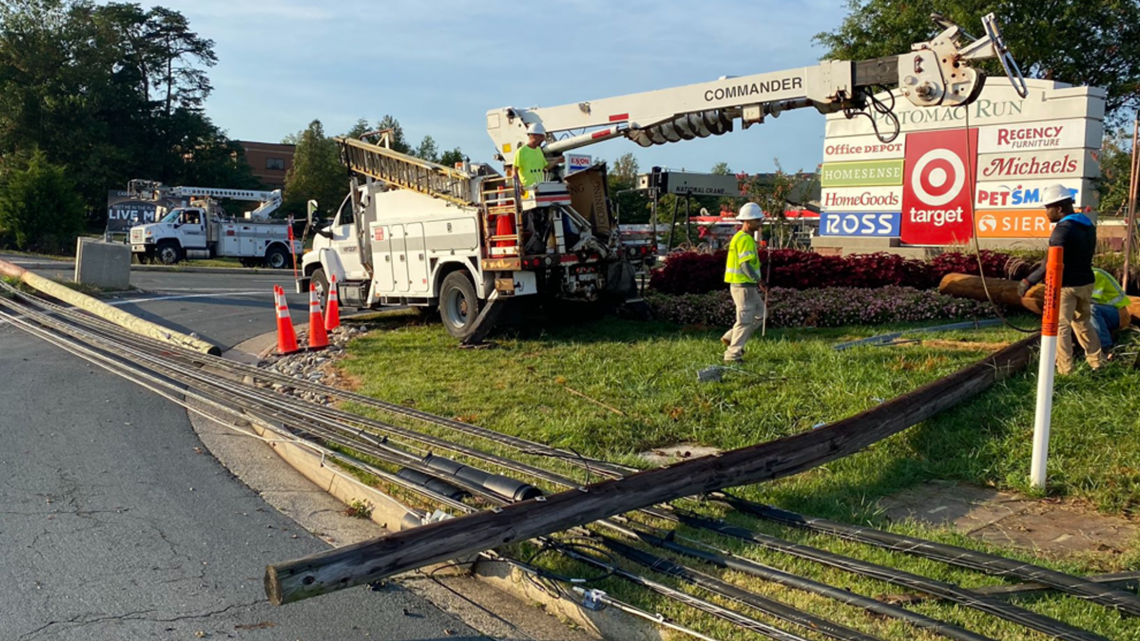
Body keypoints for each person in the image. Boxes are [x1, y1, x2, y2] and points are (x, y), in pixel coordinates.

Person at [1017, 184, 1103, 374]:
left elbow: (1049, 263)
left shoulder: (1062, 231)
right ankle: (1097, 362)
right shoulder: (1087, 225)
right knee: (1083, 323)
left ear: (1060, 208)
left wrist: (1028, 282)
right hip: (1086, 282)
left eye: (1048, 208)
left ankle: (1065, 369)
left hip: (1066, 286)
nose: (1046, 213)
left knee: (1060, 327)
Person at [721, 203, 767, 363]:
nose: (761, 223)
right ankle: (732, 354)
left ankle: (730, 337)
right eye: (758, 220)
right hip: (743, 286)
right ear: (748, 221)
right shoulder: (745, 239)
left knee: (761, 315)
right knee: (745, 321)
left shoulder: (740, 237)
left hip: (746, 286)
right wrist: (759, 280)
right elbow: (745, 264)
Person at [1089, 267, 1130, 353]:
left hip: (1119, 315)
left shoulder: (1095, 275)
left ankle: (1105, 347)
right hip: (1106, 312)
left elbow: (1090, 300)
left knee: (1091, 309)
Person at [512, 122, 562, 191]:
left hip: (540, 188)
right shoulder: (521, 151)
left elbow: (546, 167)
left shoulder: (539, 150)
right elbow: (514, 171)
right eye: (541, 136)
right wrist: (519, 184)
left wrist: (557, 161)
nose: (543, 139)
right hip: (527, 189)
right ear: (533, 136)